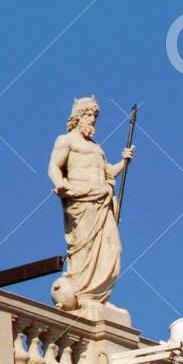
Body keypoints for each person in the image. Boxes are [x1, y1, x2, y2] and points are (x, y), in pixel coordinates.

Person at [48, 97, 133, 308]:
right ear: (78, 117)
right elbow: (53, 167)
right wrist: (61, 186)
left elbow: (107, 173)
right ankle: (85, 295)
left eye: (94, 116)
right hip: (81, 200)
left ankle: (99, 295)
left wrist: (123, 162)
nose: (92, 120)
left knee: (113, 248)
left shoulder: (96, 147)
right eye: (89, 115)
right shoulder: (66, 140)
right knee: (84, 248)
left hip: (102, 200)